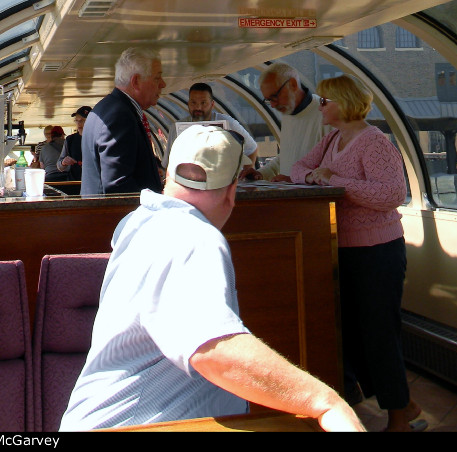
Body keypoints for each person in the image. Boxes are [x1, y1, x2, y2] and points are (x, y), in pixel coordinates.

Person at [60, 125, 364, 431]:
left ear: (167, 175)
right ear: (232, 193)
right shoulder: (193, 237)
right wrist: (324, 401)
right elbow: (214, 352)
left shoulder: (138, 221)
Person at [290, 74, 424, 433]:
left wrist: (333, 181)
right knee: (352, 333)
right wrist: (315, 177)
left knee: (379, 333)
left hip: (379, 251)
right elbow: (297, 168)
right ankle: (403, 404)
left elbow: (392, 194)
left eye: (325, 101)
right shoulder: (333, 138)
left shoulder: (374, 142)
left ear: (343, 103)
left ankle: (399, 419)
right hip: (346, 248)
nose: (319, 107)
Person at [81, 47, 166, 195]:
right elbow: (118, 187)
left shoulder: (103, 109)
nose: (163, 84)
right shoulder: (120, 117)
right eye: (157, 78)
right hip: (118, 216)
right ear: (136, 81)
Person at [242, 62, 325, 182]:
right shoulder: (288, 113)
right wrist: (260, 173)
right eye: (269, 100)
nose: (273, 105)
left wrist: (294, 180)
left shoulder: (326, 115)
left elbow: (333, 170)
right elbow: (286, 157)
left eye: (275, 96)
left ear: (292, 84)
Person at [164, 82, 258, 166]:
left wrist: (247, 174)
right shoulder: (176, 128)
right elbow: (168, 162)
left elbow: (251, 148)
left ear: (212, 104)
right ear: (188, 103)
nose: (198, 107)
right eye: (193, 103)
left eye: (203, 103)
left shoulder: (228, 123)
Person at [56, 105, 91, 181]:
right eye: (76, 120)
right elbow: (59, 166)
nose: (79, 123)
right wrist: (63, 162)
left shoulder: (97, 139)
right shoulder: (70, 140)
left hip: (92, 183)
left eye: (82, 120)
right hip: (74, 183)